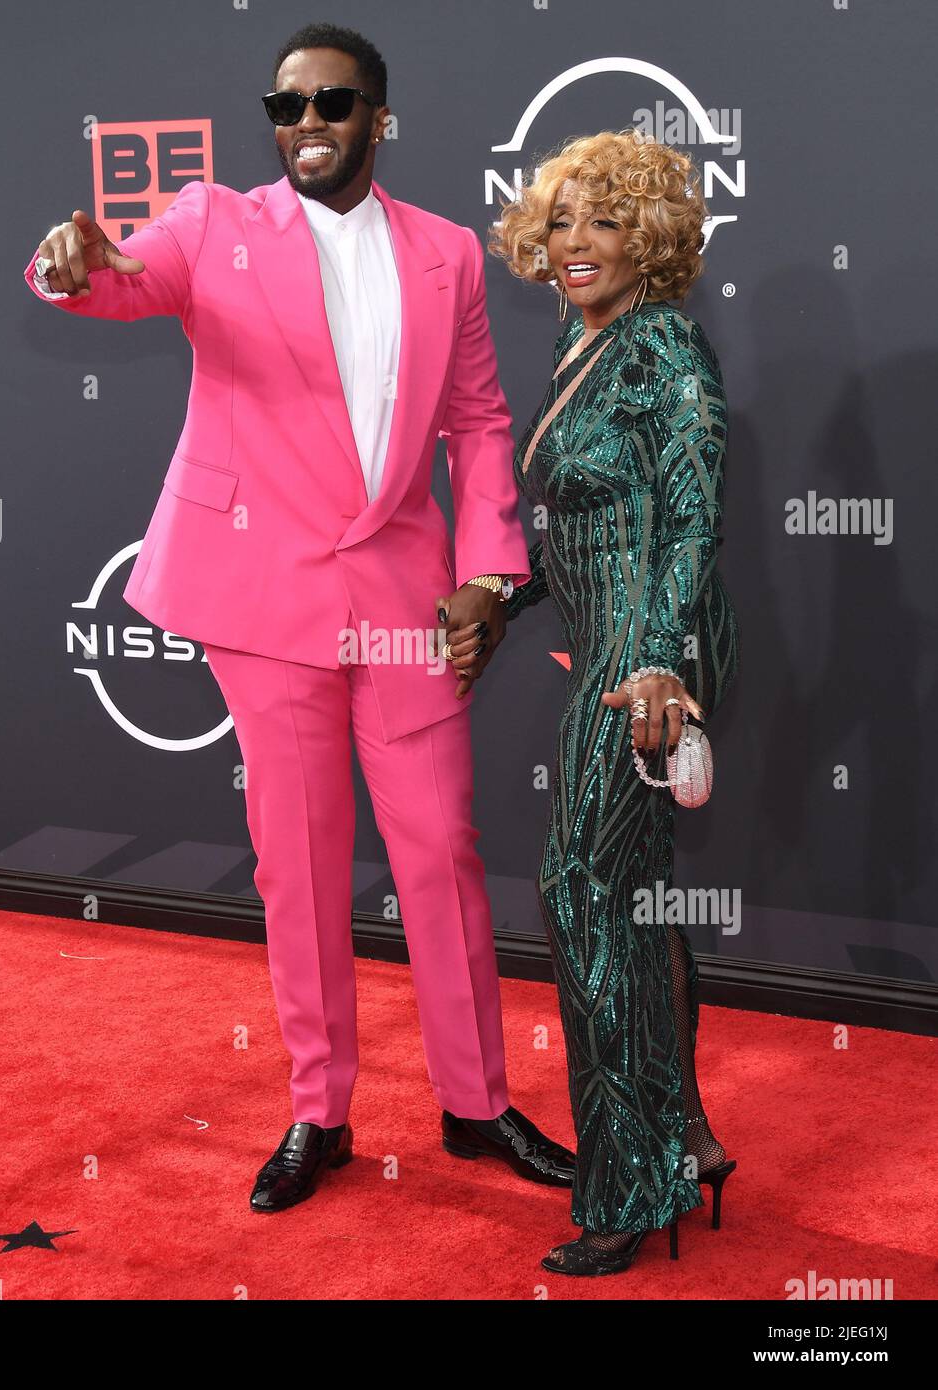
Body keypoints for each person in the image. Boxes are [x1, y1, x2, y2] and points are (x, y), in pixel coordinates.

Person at [23, 22, 577, 1213]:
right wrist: (74, 264)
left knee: (439, 850)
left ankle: (475, 1104)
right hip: (262, 597)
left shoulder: (445, 255)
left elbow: (477, 422)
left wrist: (485, 574)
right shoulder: (215, 222)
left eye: (332, 105)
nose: (306, 128)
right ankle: (318, 1111)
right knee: (304, 865)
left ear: (378, 116)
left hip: (403, 601)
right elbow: (125, 278)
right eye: (285, 109)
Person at [450, 128, 739, 1273]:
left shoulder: (662, 340)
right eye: (560, 220)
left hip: (643, 658)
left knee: (581, 887)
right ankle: (690, 1140)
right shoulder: (586, 342)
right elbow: (573, 526)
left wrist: (663, 659)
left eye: (604, 222)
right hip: (610, 640)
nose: (574, 243)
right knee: (634, 894)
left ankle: (627, 1184)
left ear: (650, 238)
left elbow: (691, 511)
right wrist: (494, 595)